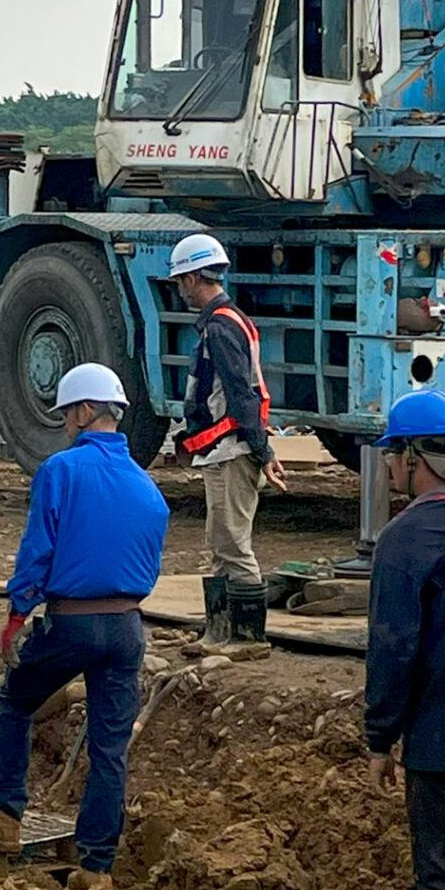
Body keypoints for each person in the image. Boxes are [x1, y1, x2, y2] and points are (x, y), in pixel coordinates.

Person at [0, 362, 169, 890]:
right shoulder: (148, 488)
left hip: (72, 623)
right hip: (126, 628)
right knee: (109, 748)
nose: (65, 425)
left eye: (67, 414)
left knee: (16, 699)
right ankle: (96, 866)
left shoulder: (61, 470)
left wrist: (18, 611)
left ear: (82, 411)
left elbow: (39, 547)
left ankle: (5, 812)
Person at [365, 388, 445, 890]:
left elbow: (393, 651)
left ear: (413, 458)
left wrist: (380, 739)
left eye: (394, 456)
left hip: (441, 745)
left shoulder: (406, 540)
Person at [169, 231, 285, 658]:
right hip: (225, 448)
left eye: (181, 280)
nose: (180, 289)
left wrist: (262, 451)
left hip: (230, 448)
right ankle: (219, 632)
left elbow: (241, 393)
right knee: (221, 542)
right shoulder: (229, 321)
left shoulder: (220, 328)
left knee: (233, 544)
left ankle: (247, 639)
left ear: (196, 277)